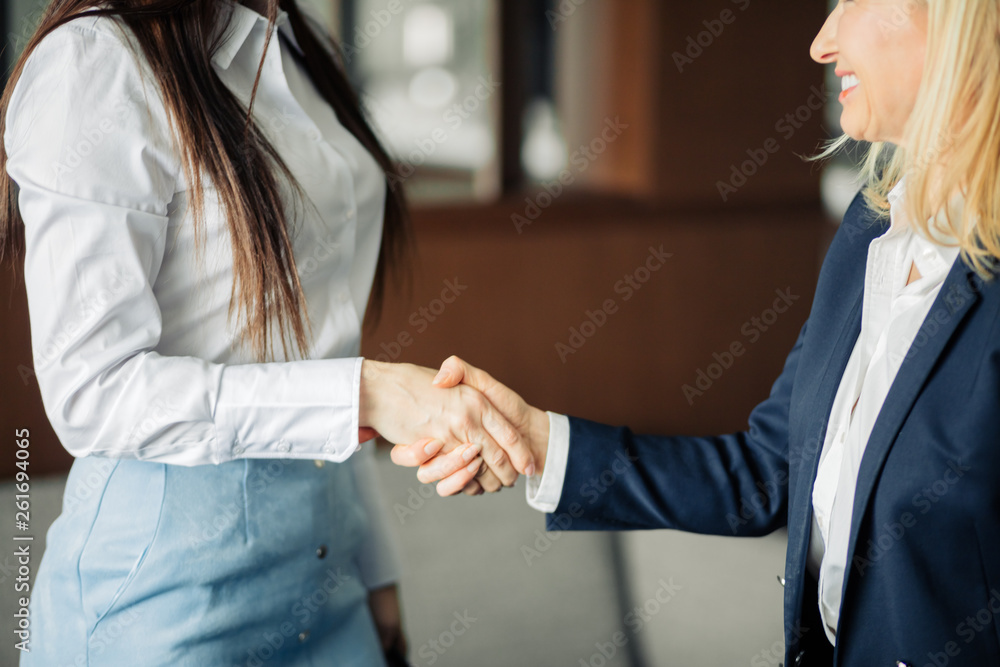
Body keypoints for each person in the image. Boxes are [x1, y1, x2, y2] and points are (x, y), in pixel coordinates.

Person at [394, 1, 1000, 665]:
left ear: (958, 23)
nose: (821, 44)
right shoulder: (870, 226)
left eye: (853, 2)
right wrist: (537, 439)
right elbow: (767, 471)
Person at [0, 0, 534, 664]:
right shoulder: (97, 64)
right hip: (163, 612)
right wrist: (370, 394)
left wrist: (374, 567)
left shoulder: (293, 43)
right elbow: (92, 391)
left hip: (329, 585)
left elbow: (324, 345)